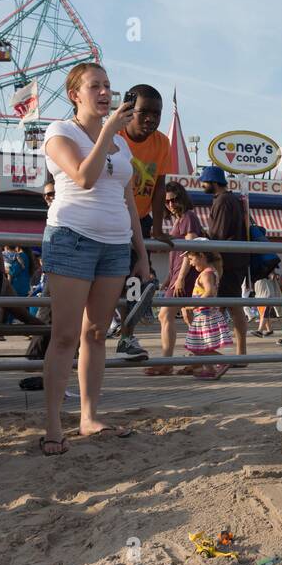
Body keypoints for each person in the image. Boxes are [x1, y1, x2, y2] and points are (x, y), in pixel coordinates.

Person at [39, 62, 149, 455]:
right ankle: (53, 425)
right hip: (72, 239)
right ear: (75, 94)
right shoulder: (60, 132)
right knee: (66, 335)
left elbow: (128, 202)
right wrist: (106, 132)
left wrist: (142, 254)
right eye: (95, 86)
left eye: (108, 86)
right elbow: (83, 177)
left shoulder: (120, 144)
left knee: (97, 334)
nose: (105, 92)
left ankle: (89, 416)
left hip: (115, 245)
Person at [109, 84, 171, 361]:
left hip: (140, 221)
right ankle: (79, 342)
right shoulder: (113, 135)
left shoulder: (162, 143)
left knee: (137, 281)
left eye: (156, 114)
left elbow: (160, 186)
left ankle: (126, 337)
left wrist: (157, 228)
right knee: (106, 282)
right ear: (127, 110)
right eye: (144, 112)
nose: (151, 119)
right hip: (110, 217)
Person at [145, 182, 204, 376]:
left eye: (174, 199)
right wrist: (171, 277)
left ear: (182, 198)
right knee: (189, 318)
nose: (170, 204)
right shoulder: (181, 219)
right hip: (180, 274)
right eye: (167, 201)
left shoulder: (188, 217)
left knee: (165, 315)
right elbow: (179, 254)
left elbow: (190, 249)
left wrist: (179, 278)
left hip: (185, 275)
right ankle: (198, 360)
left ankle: (167, 362)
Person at [204, 166, 250, 367]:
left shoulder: (222, 201)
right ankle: (219, 353)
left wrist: (204, 245)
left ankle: (237, 355)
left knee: (229, 305)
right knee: (228, 305)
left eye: (204, 181)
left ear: (213, 182)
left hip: (227, 261)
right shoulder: (231, 199)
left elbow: (218, 235)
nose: (202, 185)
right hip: (235, 259)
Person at [183, 249, 233, 379]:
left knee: (196, 346)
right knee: (200, 345)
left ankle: (221, 361)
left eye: (191, 259)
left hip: (204, 315)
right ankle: (209, 369)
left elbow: (209, 291)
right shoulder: (212, 272)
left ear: (202, 256)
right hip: (205, 314)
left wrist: (192, 305)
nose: (191, 264)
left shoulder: (206, 274)